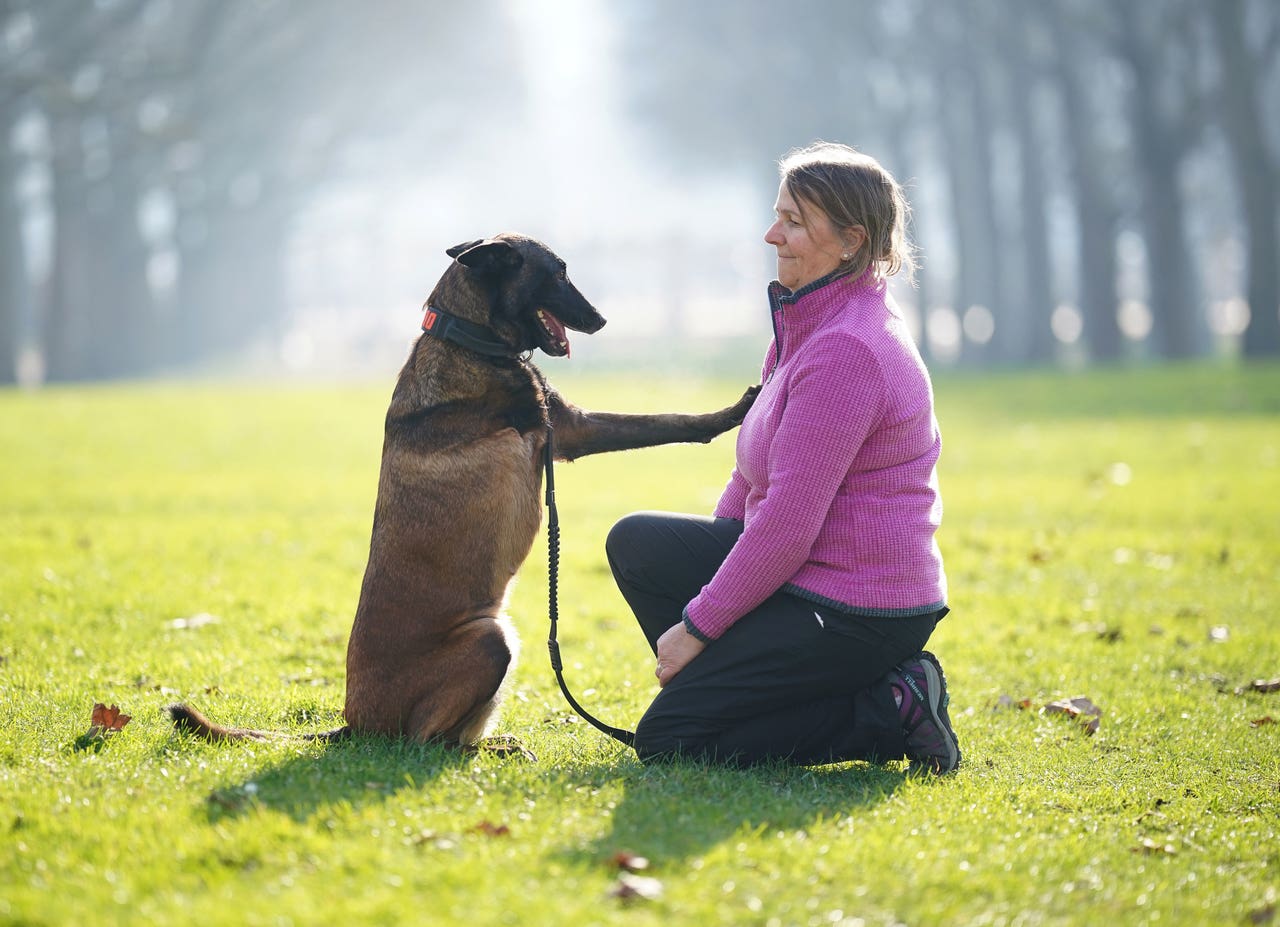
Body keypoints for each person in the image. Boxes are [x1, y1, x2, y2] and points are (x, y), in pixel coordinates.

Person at [606, 141, 960, 773]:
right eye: (778, 216)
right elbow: (751, 480)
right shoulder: (808, 324)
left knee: (672, 739)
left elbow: (789, 526)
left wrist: (698, 628)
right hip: (809, 579)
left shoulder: (847, 351)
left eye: (795, 221)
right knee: (638, 543)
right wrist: (712, 586)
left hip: (860, 607)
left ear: (851, 241)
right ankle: (727, 696)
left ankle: (890, 705)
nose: (773, 235)